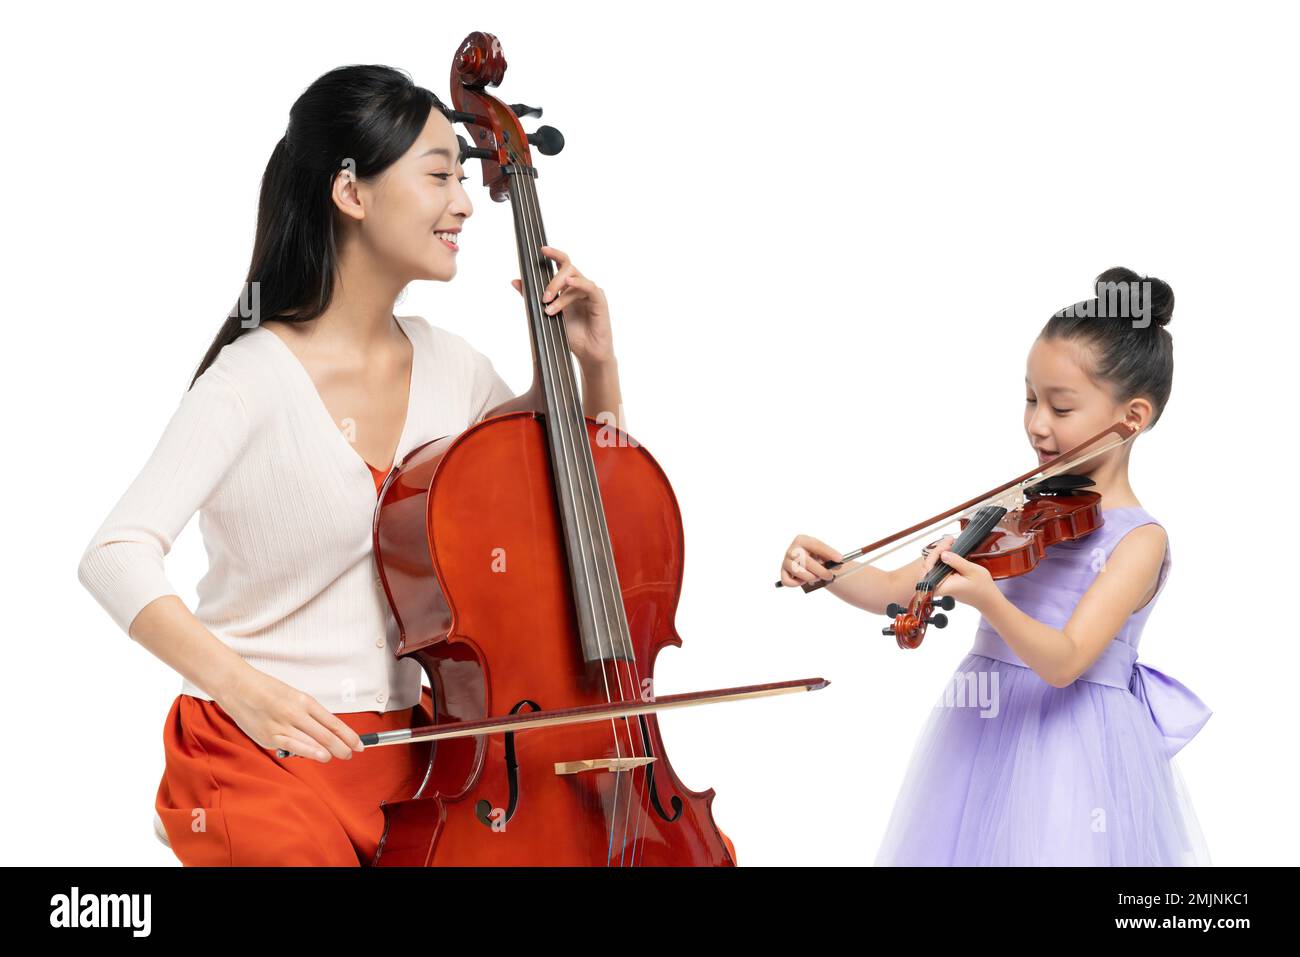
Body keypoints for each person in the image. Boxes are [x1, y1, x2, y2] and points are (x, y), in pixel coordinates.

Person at [77, 64, 738, 866]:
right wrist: (247, 691)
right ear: (351, 193)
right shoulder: (251, 378)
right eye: (438, 176)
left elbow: (587, 503)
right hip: (266, 752)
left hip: (421, 759)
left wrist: (595, 368)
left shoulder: (452, 368)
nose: (463, 202)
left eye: (466, 177)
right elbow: (115, 554)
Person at [778, 267, 1211, 865]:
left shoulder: (1140, 541)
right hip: (979, 733)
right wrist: (829, 569)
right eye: (1031, 398)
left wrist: (989, 600)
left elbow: (1065, 661)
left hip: (1073, 746)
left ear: (1132, 418)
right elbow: (892, 591)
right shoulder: (1017, 512)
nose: (1037, 424)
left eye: (1061, 407)